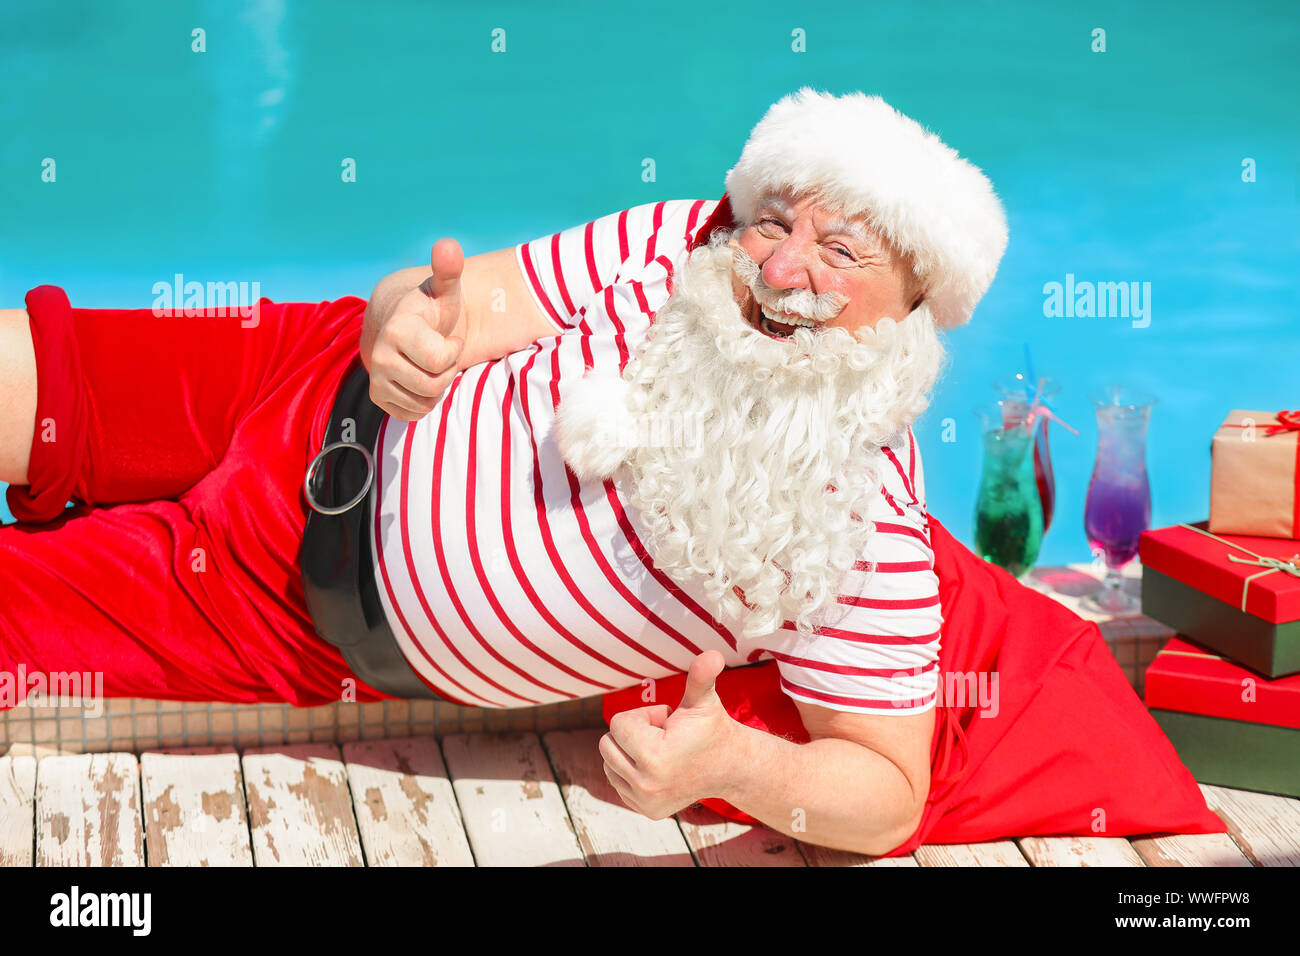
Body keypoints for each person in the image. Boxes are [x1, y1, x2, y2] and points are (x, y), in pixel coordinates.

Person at [0, 88, 1225, 858]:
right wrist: (400, 322)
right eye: (775, 222)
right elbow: (465, 297)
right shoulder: (674, 239)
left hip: (284, 606)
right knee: (20, 365)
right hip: (303, 378)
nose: (780, 265)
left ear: (908, 313)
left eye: (839, 248)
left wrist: (736, 764)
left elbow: (883, 795)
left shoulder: (862, 537)